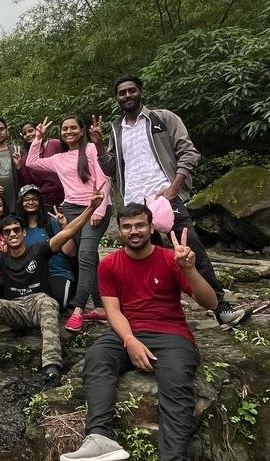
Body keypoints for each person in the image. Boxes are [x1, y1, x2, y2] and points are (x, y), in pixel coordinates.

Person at [60, 204, 219, 461]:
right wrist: (130, 340)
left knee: (175, 382)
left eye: (139, 225)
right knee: (97, 357)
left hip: (171, 335)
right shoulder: (110, 264)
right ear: (119, 230)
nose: (134, 231)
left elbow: (210, 302)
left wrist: (189, 268)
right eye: (127, 226)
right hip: (126, 331)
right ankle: (99, 439)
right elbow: (113, 310)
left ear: (150, 227)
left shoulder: (169, 259)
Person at [91, 75, 249, 328]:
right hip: (135, 202)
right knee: (145, 260)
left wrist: (174, 188)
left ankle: (221, 307)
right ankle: (153, 314)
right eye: (122, 93)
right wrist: (99, 146)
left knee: (192, 249)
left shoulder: (162, 118)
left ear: (141, 92)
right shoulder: (116, 129)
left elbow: (189, 152)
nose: (128, 96)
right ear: (117, 98)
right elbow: (111, 169)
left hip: (165, 198)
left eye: (132, 91)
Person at [0, 188, 104, 394]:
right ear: (3, 237)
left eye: (16, 230)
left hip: (37, 305)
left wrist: (91, 208)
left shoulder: (40, 249)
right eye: (7, 232)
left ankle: (51, 368)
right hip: (15, 308)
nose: (13, 234)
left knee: (48, 301)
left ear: (23, 232)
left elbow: (67, 233)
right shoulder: (0, 257)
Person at [26, 114, 111, 332]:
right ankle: (101, 307)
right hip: (71, 209)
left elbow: (104, 179)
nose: (69, 132)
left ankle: (78, 310)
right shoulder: (59, 158)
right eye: (65, 129)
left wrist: (98, 210)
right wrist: (38, 138)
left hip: (95, 208)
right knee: (89, 257)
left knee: (84, 255)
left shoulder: (91, 149)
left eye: (73, 128)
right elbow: (31, 162)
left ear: (82, 131)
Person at [18, 184, 75, 310]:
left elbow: (70, 252)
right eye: (26, 199)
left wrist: (64, 227)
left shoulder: (51, 222)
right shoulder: (18, 227)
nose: (30, 202)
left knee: (59, 303)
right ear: (21, 203)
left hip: (56, 272)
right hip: (31, 275)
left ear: (40, 202)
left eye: (34, 199)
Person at [15, 120, 65, 207]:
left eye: (30, 131)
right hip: (45, 201)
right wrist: (19, 166)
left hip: (67, 196)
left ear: (37, 130)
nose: (28, 135)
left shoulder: (54, 144)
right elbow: (27, 183)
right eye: (24, 133)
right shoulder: (26, 159)